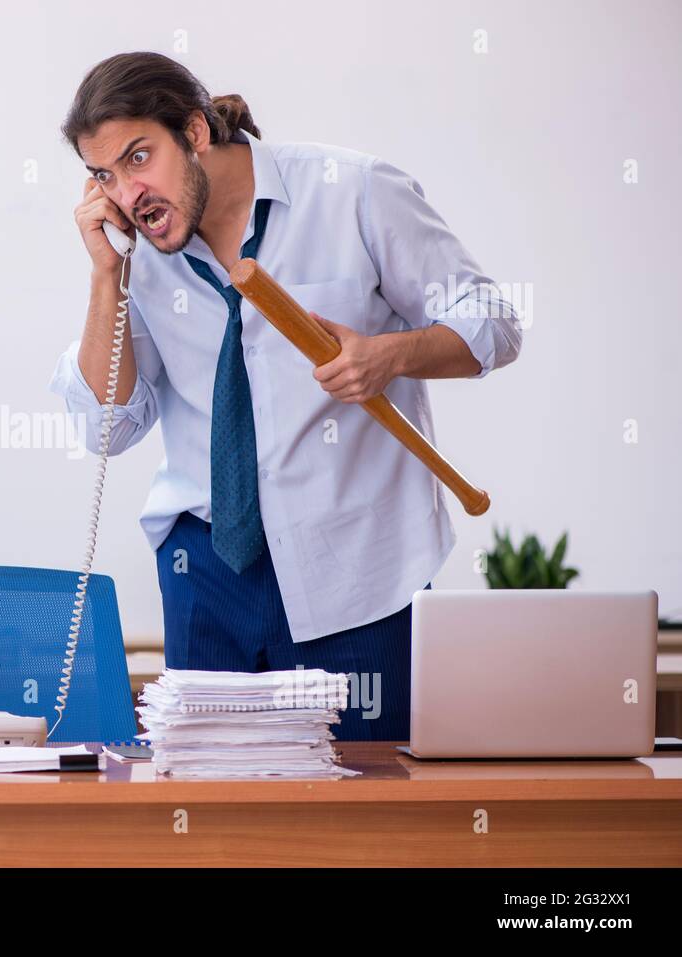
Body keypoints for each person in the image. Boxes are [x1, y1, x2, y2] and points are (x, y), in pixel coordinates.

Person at [50, 51, 522, 741]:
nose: (127, 194)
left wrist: (388, 355)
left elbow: (495, 324)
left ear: (196, 131)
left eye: (139, 157)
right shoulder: (135, 255)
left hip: (358, 568)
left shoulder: (354, 191)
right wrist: (104, 277)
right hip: (204, 571)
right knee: (213, 820)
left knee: (365, 812)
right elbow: (106, 429)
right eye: (104, 175)